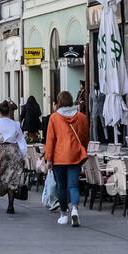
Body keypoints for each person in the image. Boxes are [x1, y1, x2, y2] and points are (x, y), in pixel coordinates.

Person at [44, 90, 89, 228]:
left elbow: (50, 140)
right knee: (73, 185)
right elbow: (84, 136)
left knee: (61, 187)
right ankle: (75, 209)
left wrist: (49, 158)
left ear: (59, 102)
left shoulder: (54, 118)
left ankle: (64, 214)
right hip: (74, 155)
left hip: (59, 157)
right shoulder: (81, 117)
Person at [0, 99, 27, 215]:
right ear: (9, 111)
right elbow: (21, 141)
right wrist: (23, 155)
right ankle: (10, 206)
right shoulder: (15, 124)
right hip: (13, 151)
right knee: (13, 177)